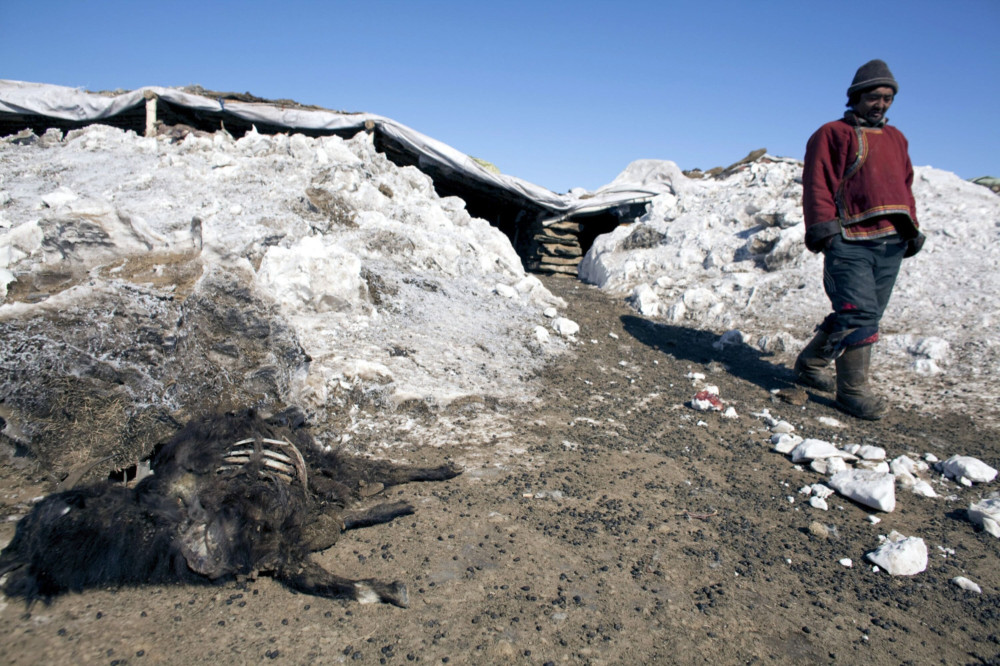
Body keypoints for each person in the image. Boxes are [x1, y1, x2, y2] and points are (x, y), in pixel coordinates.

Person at [795, 59, 925, 420]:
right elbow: (817, 184)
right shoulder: (833, 134)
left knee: (865, 315)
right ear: (856, 97)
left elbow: (905, 186)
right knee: (859, 313)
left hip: (890, 242)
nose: (881, 104)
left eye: (887, 98)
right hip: (850, 239)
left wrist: (911, 227)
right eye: (874, 96)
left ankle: (810, 363)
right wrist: (826, 232)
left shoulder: (897, 139)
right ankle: (851, 392)